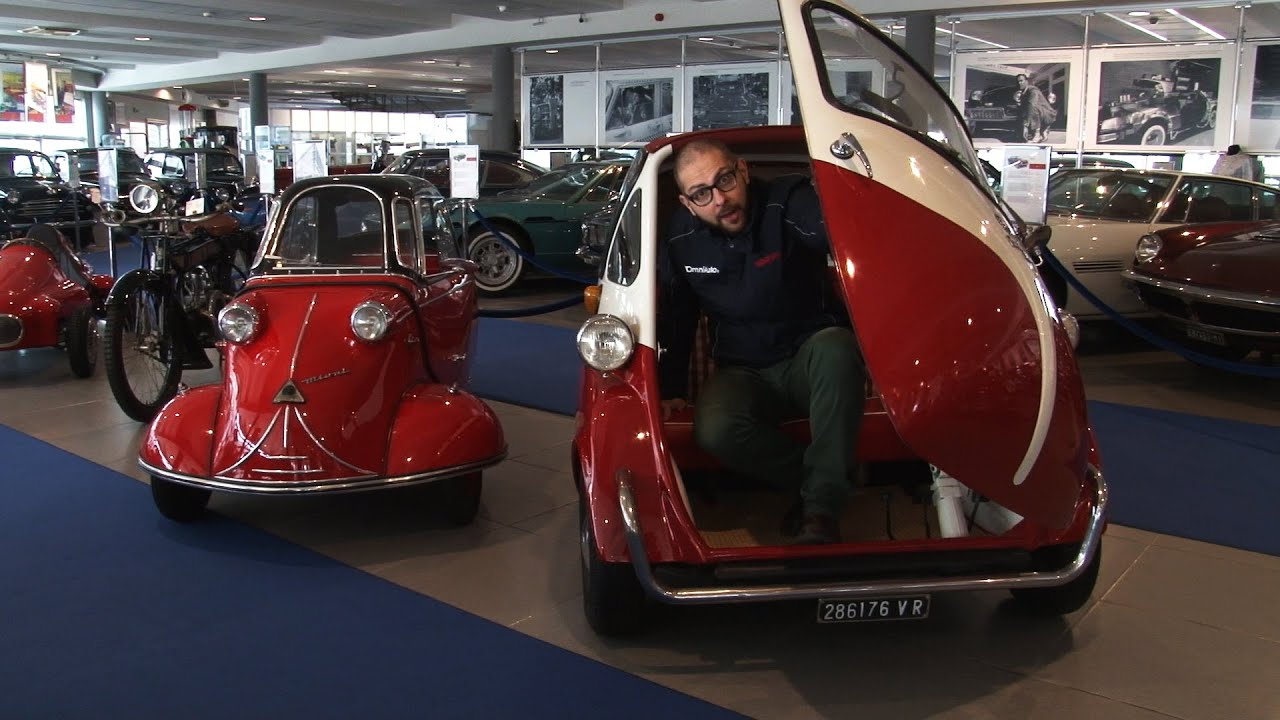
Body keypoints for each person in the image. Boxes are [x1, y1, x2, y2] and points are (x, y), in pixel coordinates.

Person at [657, 139, 867, 545]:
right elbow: (678, 315)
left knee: (837, 347)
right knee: (716, 428)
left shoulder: (786, 201)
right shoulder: (682, 239)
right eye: (702, 194)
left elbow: (833, 233)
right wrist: (669, 388)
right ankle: (827, 478)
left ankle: (820, 513)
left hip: (811, 358)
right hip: (743, 370)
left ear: (743, 170)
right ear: (687, 204)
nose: (720, 199)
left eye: (725, 180)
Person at [1015, 74, 1057, 144]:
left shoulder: (1033, 90)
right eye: (1018, 81)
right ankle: (1043, 131)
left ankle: (1037, 134)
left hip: (1048, 115)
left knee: (1032, 108)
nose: (1019, 83)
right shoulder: (1023, 93)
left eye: (1021, 81)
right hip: (1041, 114)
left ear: (1026, 81)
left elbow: (1032, 104)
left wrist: (1026, 123)